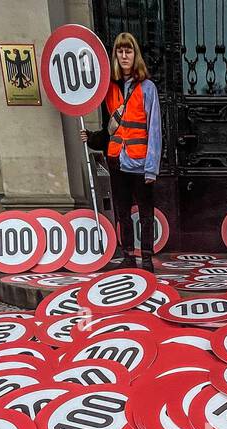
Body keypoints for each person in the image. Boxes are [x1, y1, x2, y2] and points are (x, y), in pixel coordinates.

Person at [81, 32, 163, 271]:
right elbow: (111, 128)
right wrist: (93, 138)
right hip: (116, 160)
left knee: (146, 214)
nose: (124, 55)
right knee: (122, 213)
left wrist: (152, 167)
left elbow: (154, 128)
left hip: (140, 162)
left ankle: (146, 258)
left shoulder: (148, 88)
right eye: (120, 51)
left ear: (135, 55)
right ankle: (128, 256)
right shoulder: (109, 89)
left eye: (128, 51)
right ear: (115, 55)